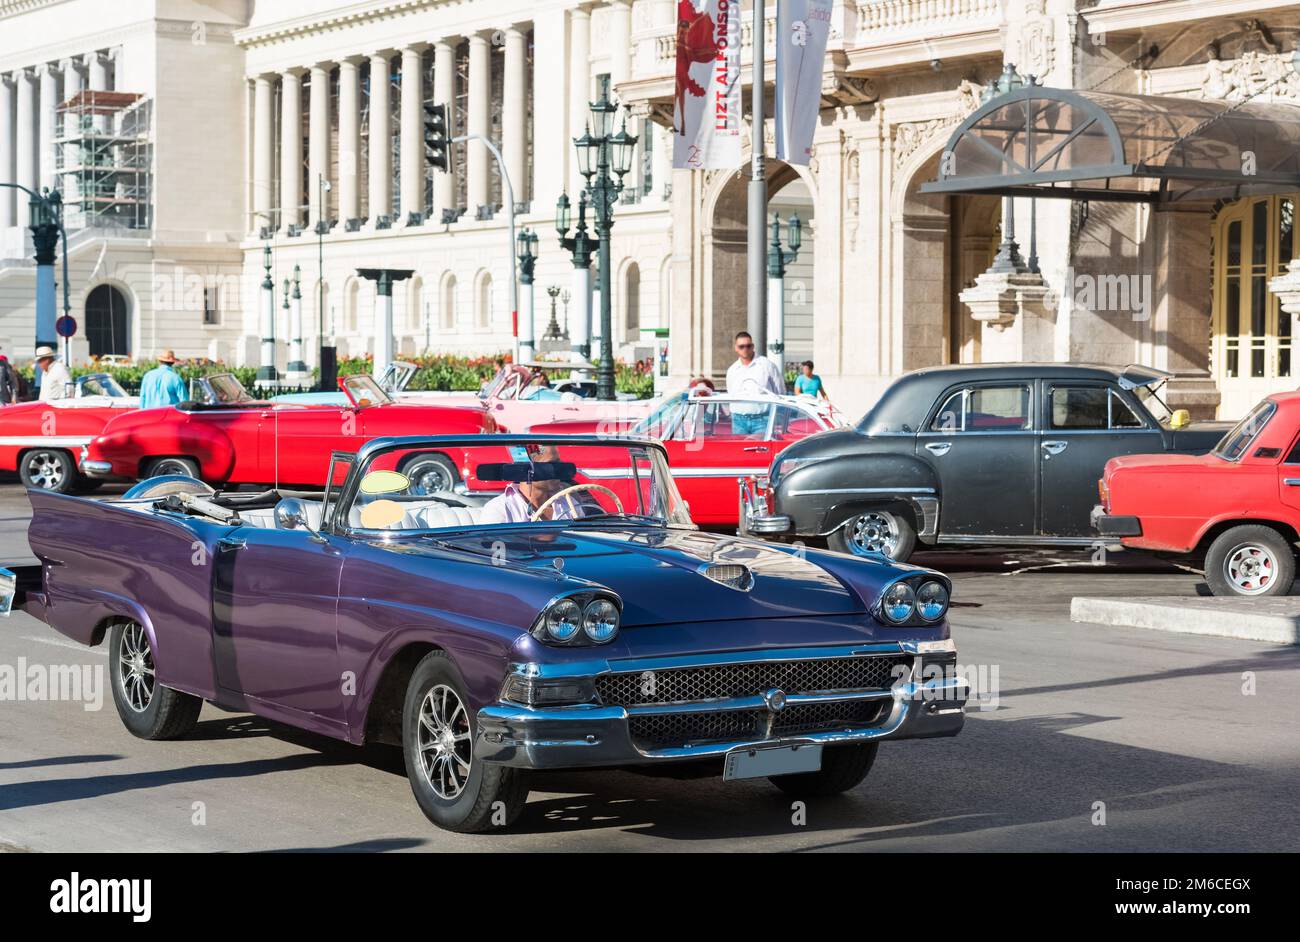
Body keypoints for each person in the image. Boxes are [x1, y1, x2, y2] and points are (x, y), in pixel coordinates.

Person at [480, 447, 586, 524]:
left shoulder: (568, 503)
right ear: (528, 470)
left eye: (560, 464)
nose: (559, 470)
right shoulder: (500, 509)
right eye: (552, 464)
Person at [724, 331, 785, 435]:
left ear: (753, 346)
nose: (745, 349)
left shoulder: (767, 365)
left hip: (763, 419)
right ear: (736, 348)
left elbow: (780, 391)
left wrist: (777, 417)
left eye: (748, 346)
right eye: (741, 346)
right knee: (739, 451)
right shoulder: (732, 370)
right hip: (738, 420)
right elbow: (731, 395)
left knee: (761, 451)